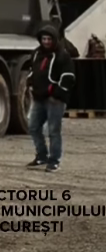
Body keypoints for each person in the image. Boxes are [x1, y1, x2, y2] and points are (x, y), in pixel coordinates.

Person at [26, 26, 75, 172]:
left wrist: (57, 94)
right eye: (44, 39)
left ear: (54, 39)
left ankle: (54, 161)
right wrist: (30, 82)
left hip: (55, 100)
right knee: (33, 127)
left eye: (49, 39)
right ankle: (41, 156)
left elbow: (69, 77)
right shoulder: (36, 53)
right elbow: (32, 70)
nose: (46, 42)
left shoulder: (62, 56)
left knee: (54, 131)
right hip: (38, 98)